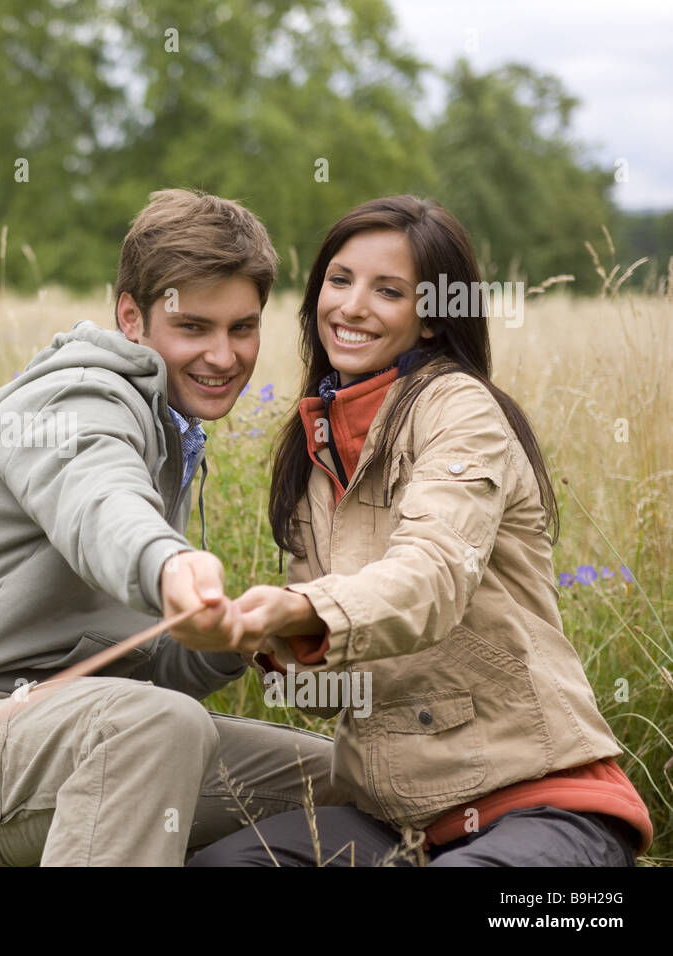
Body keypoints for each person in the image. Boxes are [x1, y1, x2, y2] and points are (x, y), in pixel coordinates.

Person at [0, 188, 342, 866]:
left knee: (346, 782)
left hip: (69, 735)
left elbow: (144, 667)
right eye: (195, 327)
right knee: (157, 728)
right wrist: (168, 565)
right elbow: (98, 501)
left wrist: (241, 636)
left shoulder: (171, 431)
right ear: (131, 318)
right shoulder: (75, 397)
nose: (224, 356)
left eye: (243, 328)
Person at [186, 195, 652, 867]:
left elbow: (432, 577)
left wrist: (302, 610)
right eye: (339, 281)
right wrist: (261, 640)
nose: (350, 306)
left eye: (389, 291)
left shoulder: (461, 412)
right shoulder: (312, 451)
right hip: (398, 824)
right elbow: (323, 700)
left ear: (433, 316)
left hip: (541, 805)